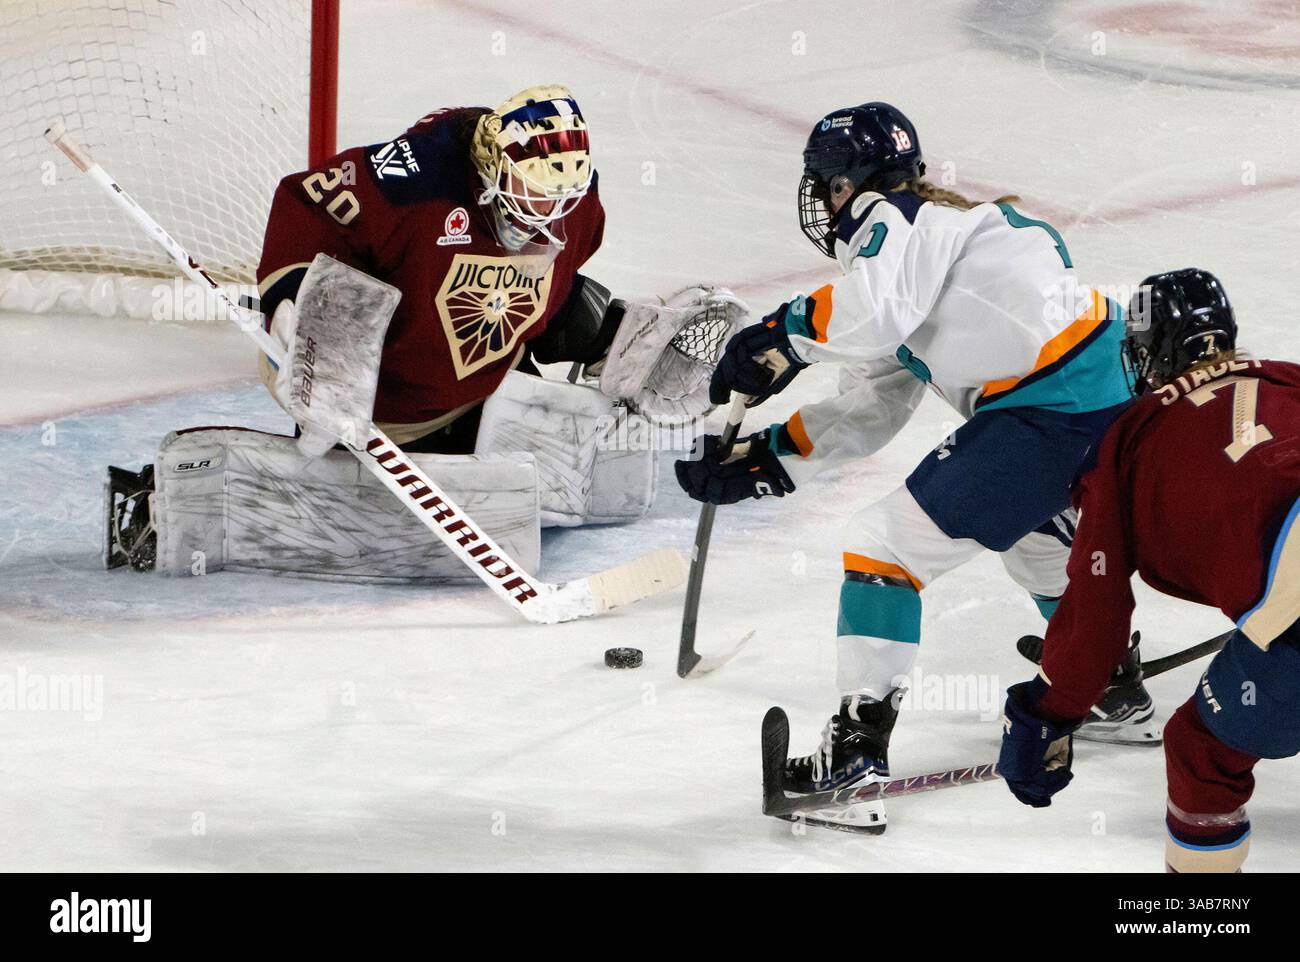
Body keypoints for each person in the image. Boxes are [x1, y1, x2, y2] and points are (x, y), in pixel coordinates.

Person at [680, 102, 1145, 833]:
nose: (824, 198)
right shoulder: (934, 242)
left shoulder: (889, 221)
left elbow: (873, 315)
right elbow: (873, 404)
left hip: (1052, 412)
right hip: (1107, 403)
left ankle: (854, 763)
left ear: (846, 183)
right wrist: (767, 457)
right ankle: (1106, 680)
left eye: (825, 183)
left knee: (885, 551)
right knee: (1030, 537)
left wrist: (781, 334)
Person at [999, 268, 1300, 873]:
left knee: (1201, 750)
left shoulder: (1126, 441)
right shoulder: (1289, 379)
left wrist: (1049, 712)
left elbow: (1096, 614)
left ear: (1149, 352)